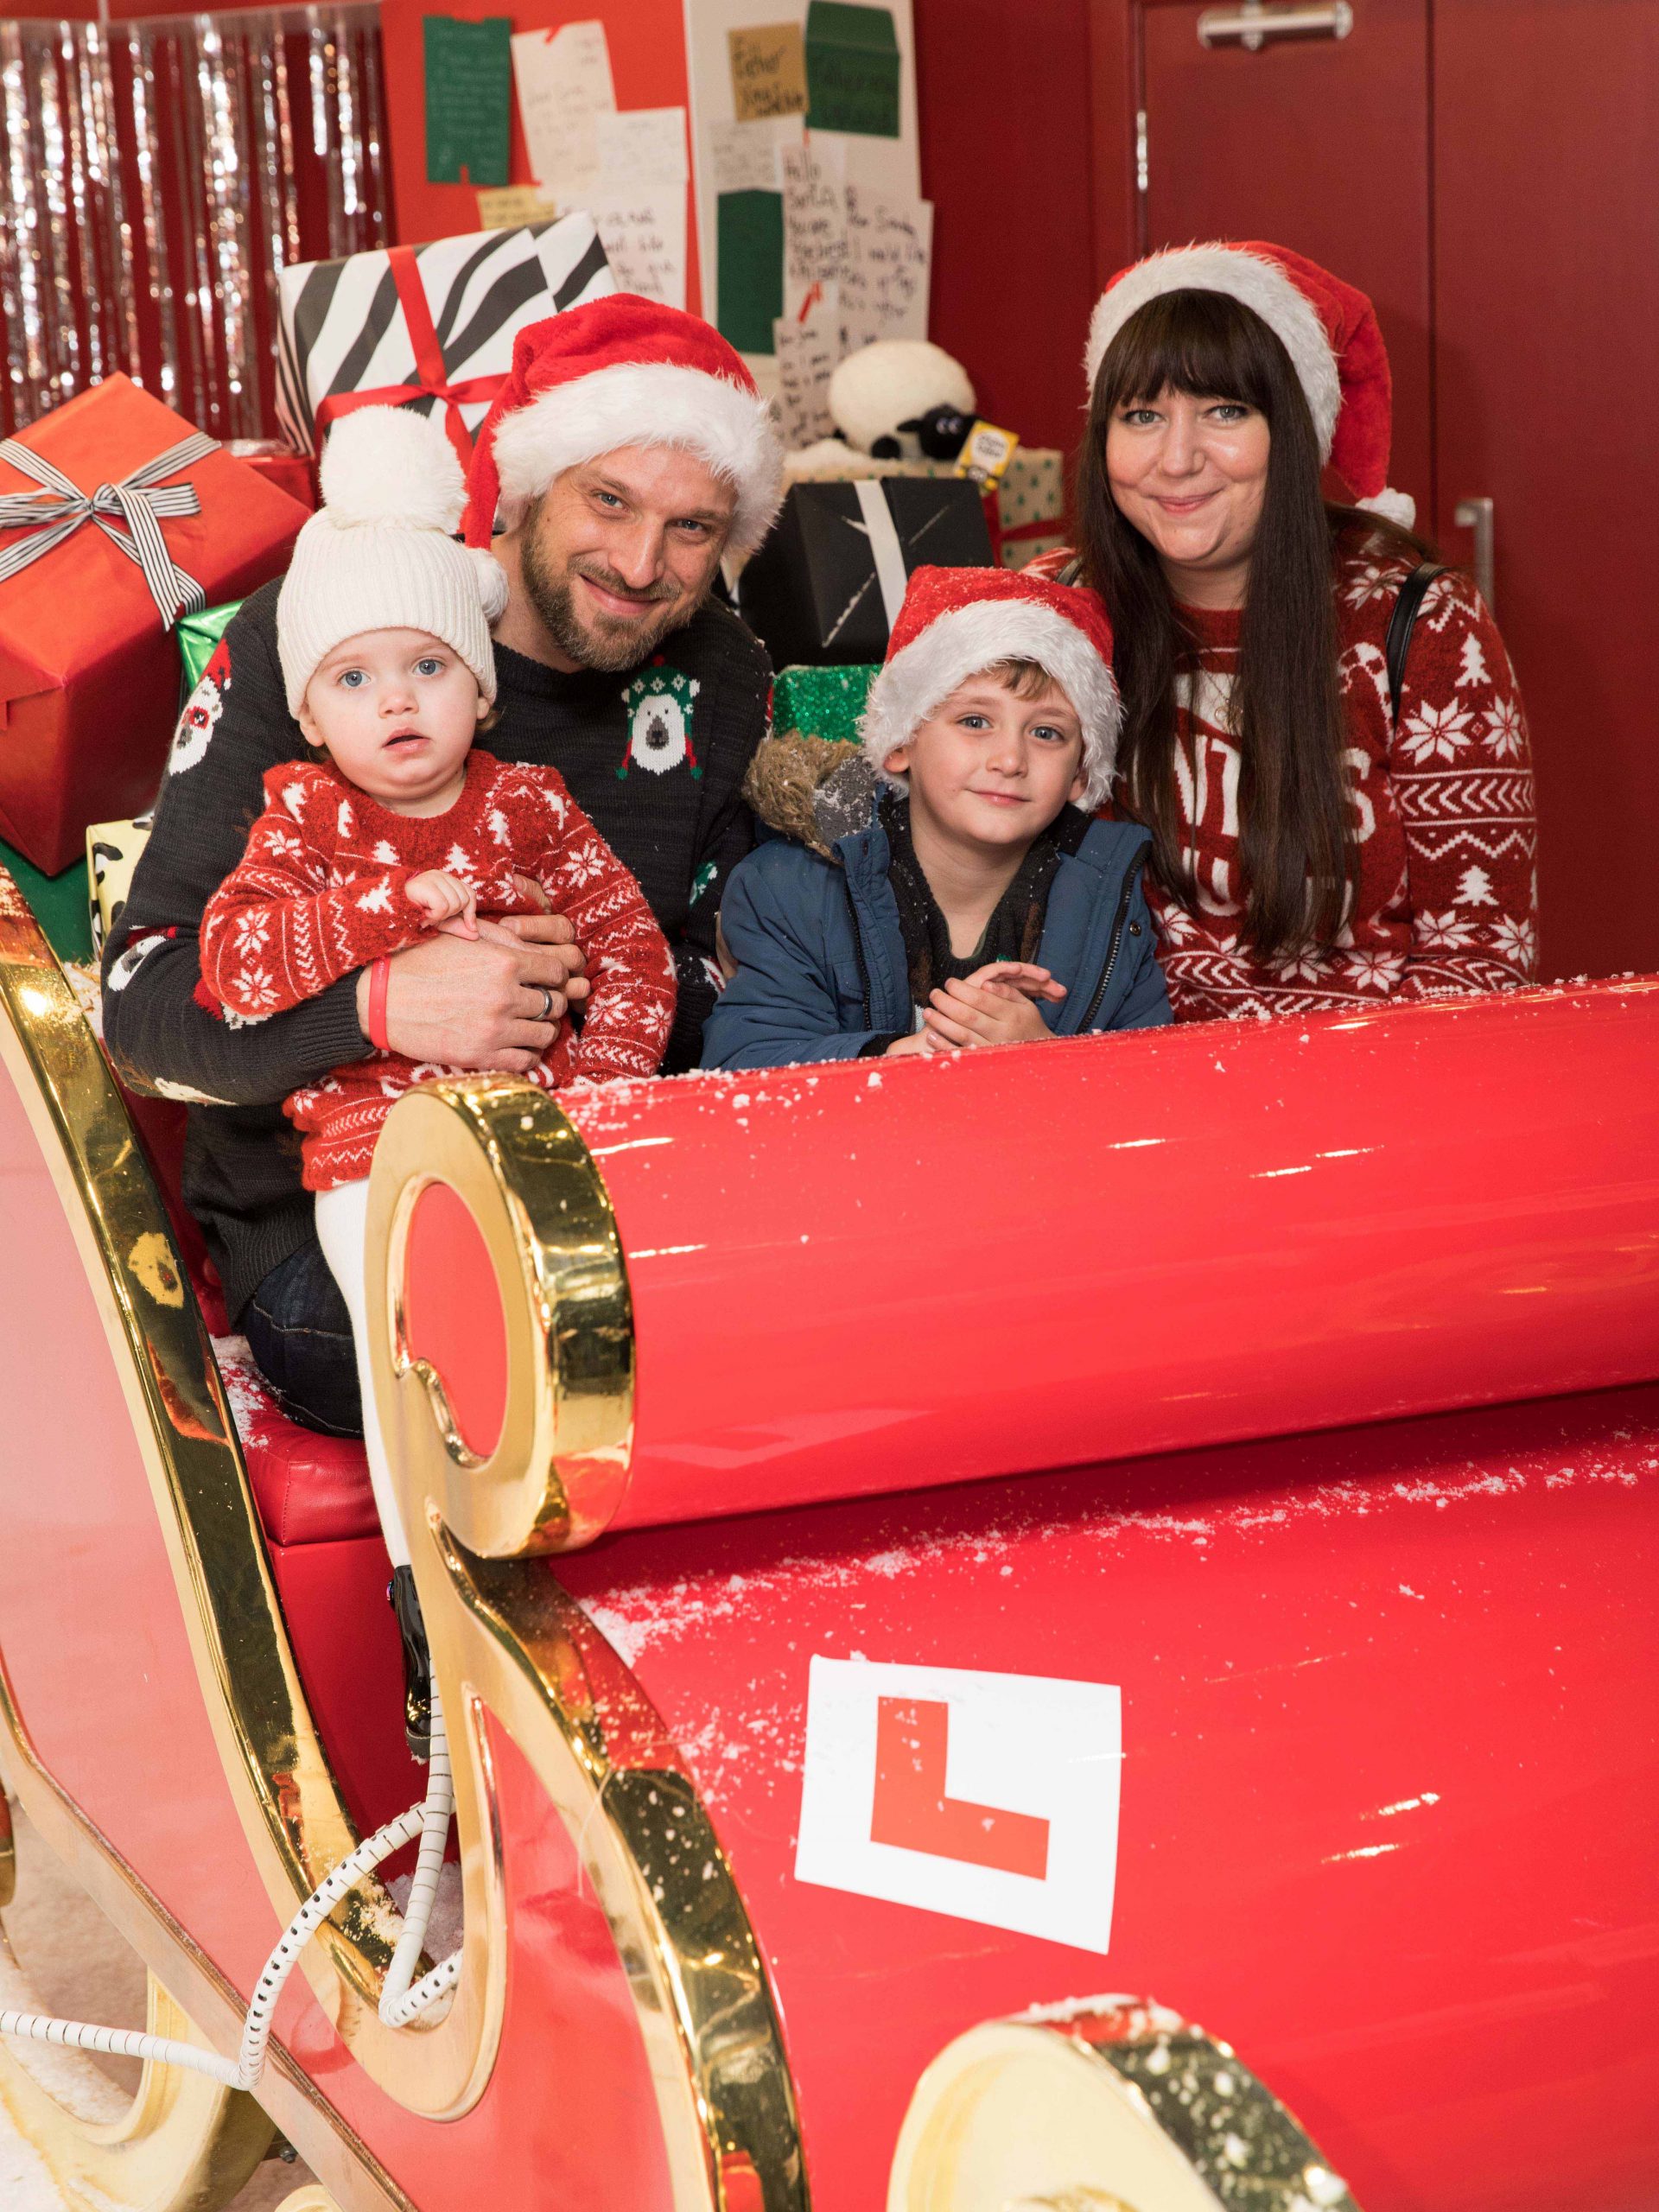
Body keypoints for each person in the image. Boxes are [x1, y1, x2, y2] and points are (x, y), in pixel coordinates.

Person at [102, 295, 783, 1441]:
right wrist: (378, 1004)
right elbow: (142, 1005)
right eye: (608, 500)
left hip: (593, 1161)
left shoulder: (721, 670)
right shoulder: (331, 632)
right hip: (325, 1197)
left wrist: (567, 994)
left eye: (693, 528)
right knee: (483, 1345)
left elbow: (730, 971)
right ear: (527, 487)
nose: (639, 563)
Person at [196, 406, 674, 1747]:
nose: (397, 701)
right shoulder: (303, 824)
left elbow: (634, 950)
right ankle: (434, 1614)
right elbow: (234, 968)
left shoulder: (529, 809)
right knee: (410, 1349)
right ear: (309, 713)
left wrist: (606, 1091)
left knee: (591, 1334)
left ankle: (595, 1600)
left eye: (427, 666)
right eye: (354, 679)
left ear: (481, 689)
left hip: (537, 1137)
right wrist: (390, 910)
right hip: (375, 1159)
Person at [1035, 240, 1538, 1020]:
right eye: (1142, 415)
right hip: (1110, 1070)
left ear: (1296, 430)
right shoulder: (1053, 608)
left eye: (1225, 411)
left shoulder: (1422, 622)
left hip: (1363, 1077)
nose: (1177, 459)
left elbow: (1480, 962)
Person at [702, 565, 1169, 1069]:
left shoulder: (1108, 895)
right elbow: (744, 1063)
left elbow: (1154, 1079)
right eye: (975, 721)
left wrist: (1048, 1059)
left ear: (1080, 772)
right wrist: (917, 1056)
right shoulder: (790, 887)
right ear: (901, 741)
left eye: (1046, 733)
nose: (1010, 760)